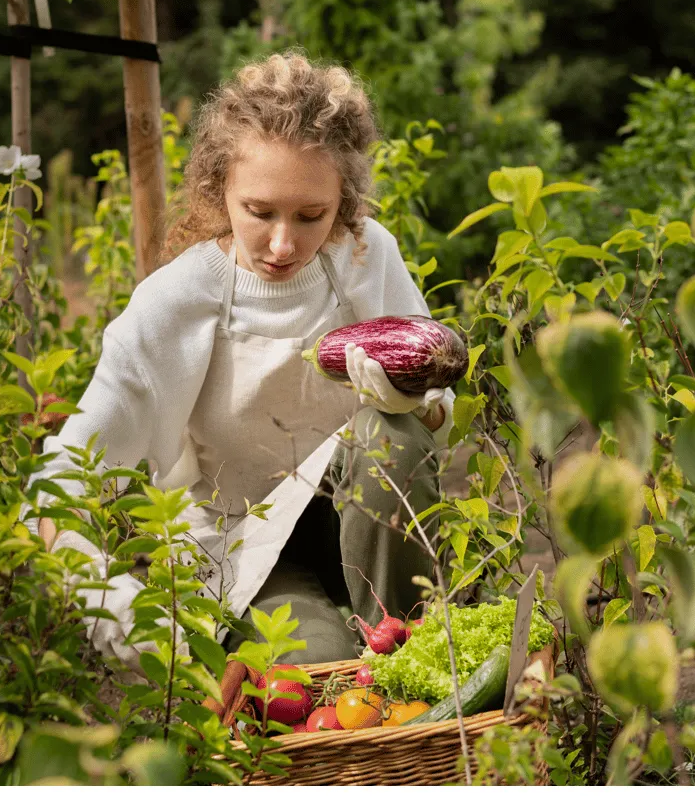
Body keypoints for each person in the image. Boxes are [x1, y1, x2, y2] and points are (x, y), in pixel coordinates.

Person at [23, 51, 455, 673]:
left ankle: (413, 652)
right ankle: (340, 646)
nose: (283, 244)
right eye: (259, 212)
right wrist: (111, 602)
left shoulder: (366, 256)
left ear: (344, 202)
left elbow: (437, 416)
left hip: (369, 526)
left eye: (311, 216)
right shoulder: (176, 301)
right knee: (313, 672)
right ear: (218, 188)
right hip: (248, 547)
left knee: (391, 437)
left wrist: (415, 404)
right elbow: (61, 482)